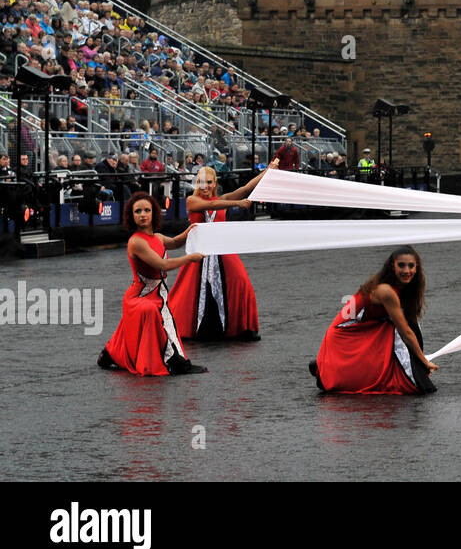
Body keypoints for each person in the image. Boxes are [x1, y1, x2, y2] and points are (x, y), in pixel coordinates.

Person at [97, 192, 204, 376]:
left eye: (147, 210)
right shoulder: (136, 242)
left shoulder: (158, 237)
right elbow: (163, 265)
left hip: (156, 295)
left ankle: (112, 355)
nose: (143, 214)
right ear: (132, 216)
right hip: (141, 296)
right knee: (154, 313)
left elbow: (175, 242)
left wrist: (188, 232)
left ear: (154, 213)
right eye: (138, 211)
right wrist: (190, 258)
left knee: (156, 315)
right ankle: (169, 361)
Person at [169, 161, 278, 340]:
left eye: (209, 182)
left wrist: (268, 172)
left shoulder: (223, 200)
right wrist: (239, 203)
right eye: (201, 182)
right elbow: (212, 206)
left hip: (222, 250)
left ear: (215, 184)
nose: (205, 186)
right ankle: (192, 328)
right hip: (200, 253)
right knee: (191, 293)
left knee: (241, 283)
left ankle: (240, 327)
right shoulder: (192, 200)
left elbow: (246, 188)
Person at [309, 246, 437, 394]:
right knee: (398, 331)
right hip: (344, 335)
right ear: (392, 266)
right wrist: (424, 361)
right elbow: (406, 333)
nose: (406, 270)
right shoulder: (385, 291)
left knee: (405, 323)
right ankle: (325, 369)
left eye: (411, 265)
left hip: (366, 327)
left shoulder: (401, 287)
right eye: (401, 265)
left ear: (417, 268)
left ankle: (324, 367)